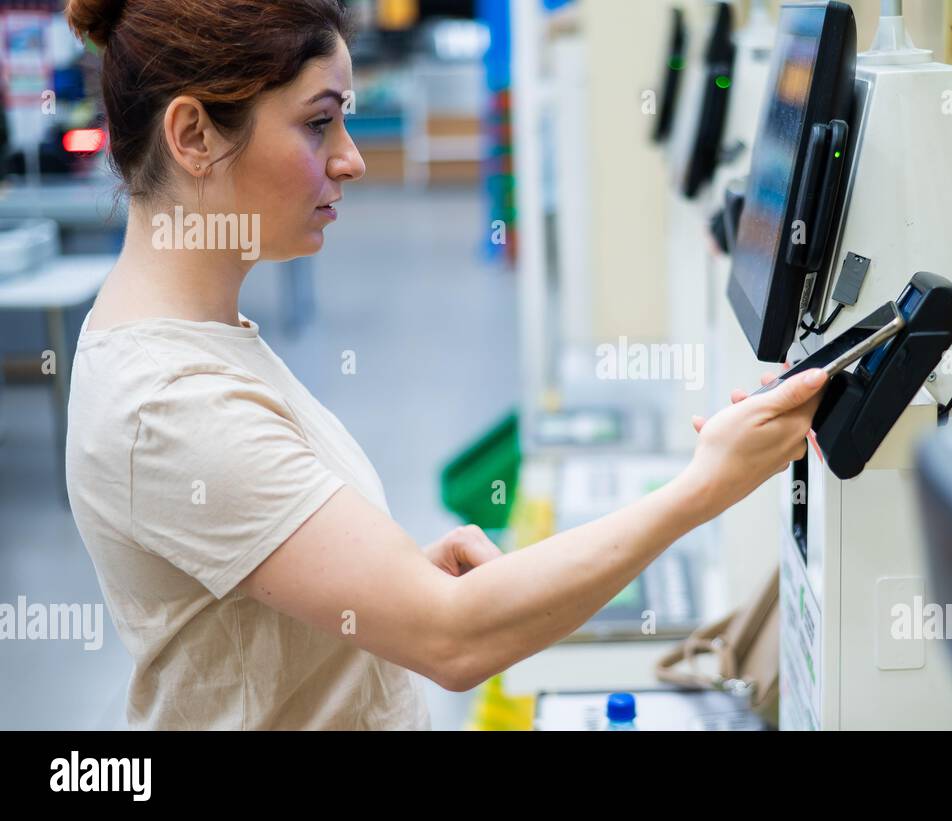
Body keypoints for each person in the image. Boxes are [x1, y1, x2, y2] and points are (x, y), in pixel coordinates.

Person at [62, 0, 826, 729]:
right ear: (193, 134)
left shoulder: (198, 339)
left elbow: (240, 596)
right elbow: (453, 639)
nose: (351, 159)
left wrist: (377, 581)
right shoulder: (169, 403)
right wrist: (707, 484)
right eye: (318, 123)